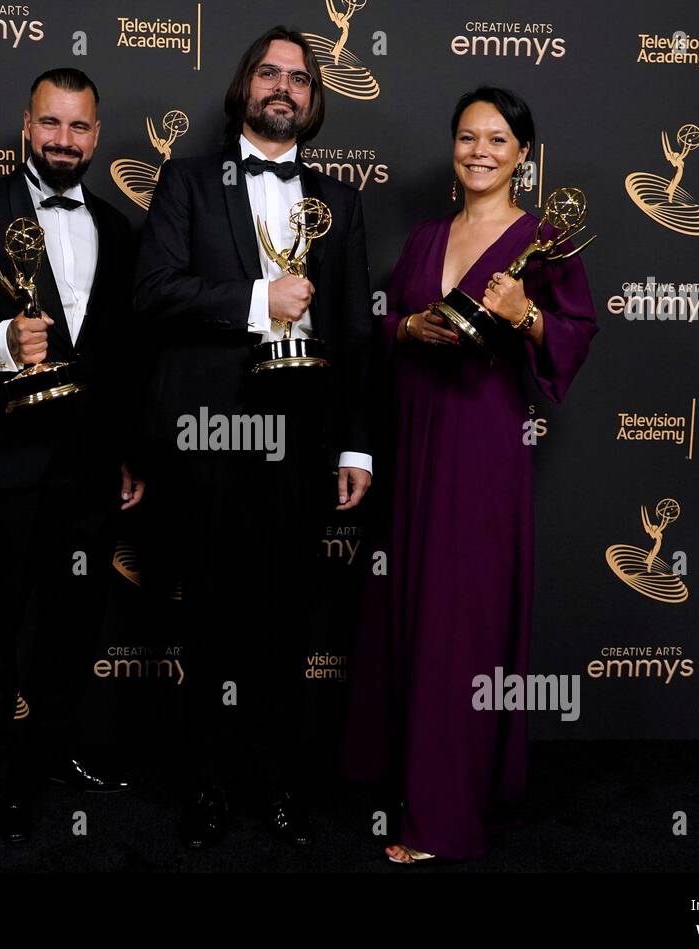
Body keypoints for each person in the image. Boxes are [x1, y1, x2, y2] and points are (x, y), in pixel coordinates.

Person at [134, 25, 376, 849]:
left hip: (300, 444)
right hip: (208, 434)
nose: (285, 88)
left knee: (285, 627)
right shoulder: (189, 182)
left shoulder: (341, 201)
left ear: (313, 98)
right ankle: (205, 786)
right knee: (206, 621)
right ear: (244, 88)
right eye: (270, 74)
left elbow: (352, 329)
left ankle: (280, 787)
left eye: (300, 79)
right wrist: (255, 301)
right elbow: (155, 293)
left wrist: (354, 445)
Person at [341, 87, 598, 863]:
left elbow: (575, 337)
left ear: (524, 153)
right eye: (465, 137)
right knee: (413, 608)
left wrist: (524, 312)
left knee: (462, 621)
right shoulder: (426, 237)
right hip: (414, 436)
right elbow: (380, 323)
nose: (478, 151)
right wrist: (405, 326)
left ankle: (443, 817)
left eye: (496, 139)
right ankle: (413, 780)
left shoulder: (544, 238)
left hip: (482, 444)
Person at [0, 67, 143, 845]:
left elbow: (120, 358)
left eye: (80, 128)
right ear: (26, 124)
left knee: (75, 622)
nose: (64, 140)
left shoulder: (117, 228)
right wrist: (0, 342)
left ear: (96, 137)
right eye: (52, 123)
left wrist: (126, 452)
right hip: (6, 461)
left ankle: (50, 752)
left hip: (88, 466)